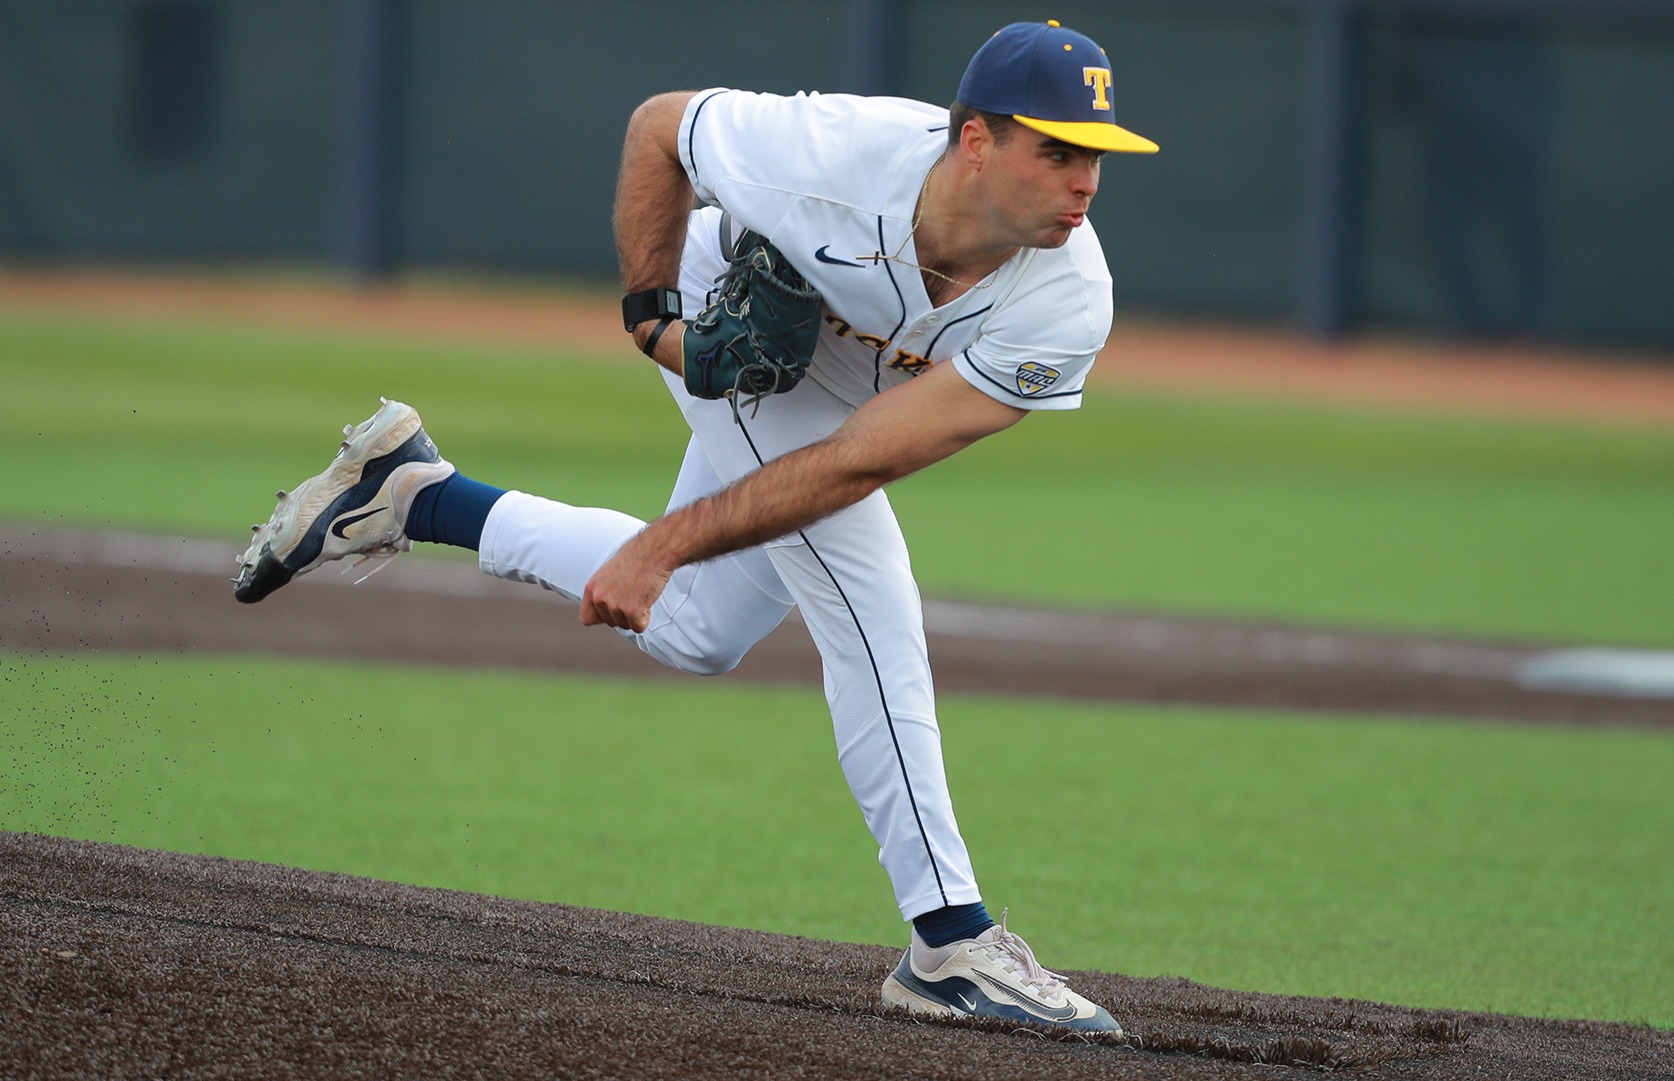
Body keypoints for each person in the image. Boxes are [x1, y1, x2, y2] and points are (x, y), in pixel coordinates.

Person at [233, 20, 1157, 1034]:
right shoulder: (833, 159)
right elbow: (660, 126)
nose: (1084, 183)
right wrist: (651, 315)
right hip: (739, 321)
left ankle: (417, 493)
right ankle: (950, 941)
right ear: (976, 142)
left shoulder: (1069, 300)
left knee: (698, 629)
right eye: (1057, 150)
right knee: (871, 602)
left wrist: (661, 547)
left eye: (1097, 157)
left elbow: (866, 455)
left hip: (861, 395)